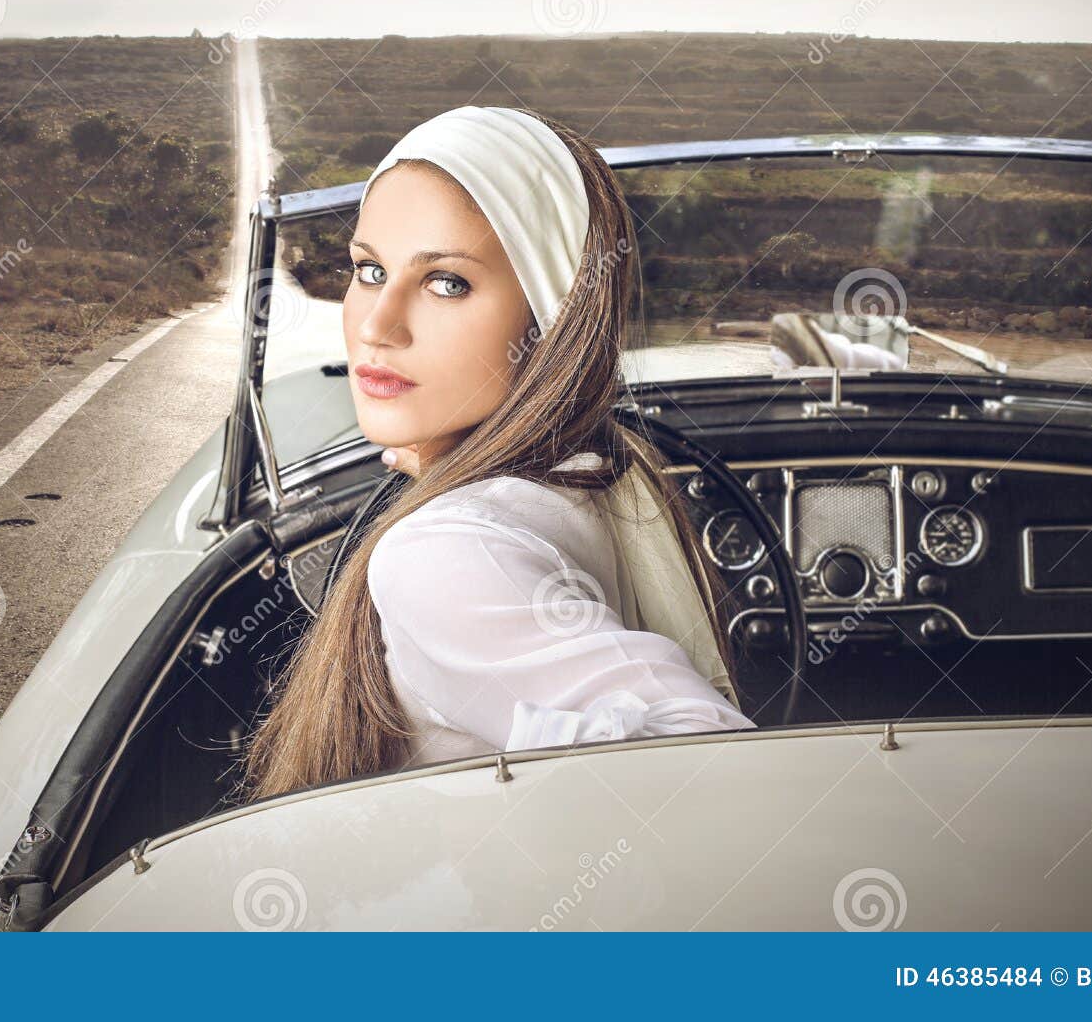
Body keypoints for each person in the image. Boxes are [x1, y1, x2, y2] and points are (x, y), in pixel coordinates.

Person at [241, 105, 754, 800]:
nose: (377, 326)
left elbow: (708, 765)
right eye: (367, 270)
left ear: (551, 319)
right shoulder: (597, 465)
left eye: (445, 282)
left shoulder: (443, 551)